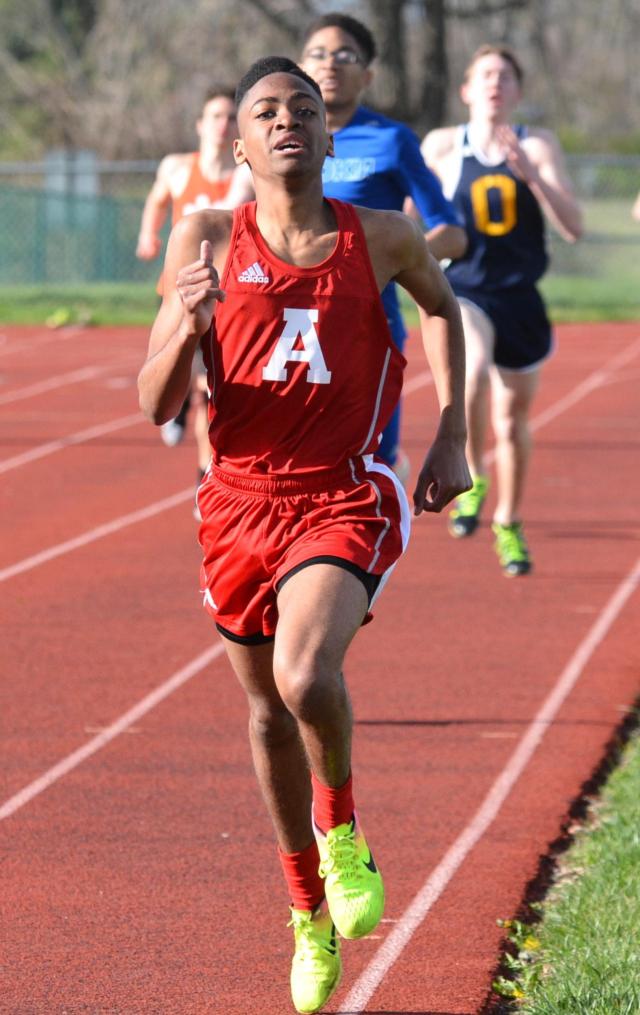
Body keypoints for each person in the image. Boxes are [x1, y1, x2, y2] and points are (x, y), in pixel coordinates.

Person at [137, 56, 470, 1014]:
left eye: (305, 109)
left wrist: (449, 430)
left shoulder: (388, 235)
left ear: (332, 136)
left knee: (304, 676)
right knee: (264, 714)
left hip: (343, 492)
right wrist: (182, 326)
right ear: (236, 144)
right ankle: (306, 912)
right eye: (265, 112)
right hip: (235, 502)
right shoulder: (204, 235)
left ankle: (343, 827)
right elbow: (153, 399)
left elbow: (444, 311)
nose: (287, 120)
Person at [421, 44, 582, 576]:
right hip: (464, 290)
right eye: (485, 74)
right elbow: (407, 217)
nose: (495, 83)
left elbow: (574, 227)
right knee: (473, 371)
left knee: (512, 424)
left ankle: (508, 523)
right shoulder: (443, 146)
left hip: (521, 299)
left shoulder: (538, 146)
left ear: (517, 91)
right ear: (467, 90)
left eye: (506, 76)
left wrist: (531, 177)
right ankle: (468, 468)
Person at [299, 12, 467, 483]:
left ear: (368, 75)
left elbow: (452, 232)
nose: (330, 64)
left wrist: (395, 262)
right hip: (291, 324)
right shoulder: (281, 136)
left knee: (367, 466)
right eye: (318, 54)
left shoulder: (390, 140)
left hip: (369, 324)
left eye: (345, 55)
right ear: (299, 66)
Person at [136, 86, 253, 507]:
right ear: (202, 124)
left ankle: (206, 471)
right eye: (216, 116)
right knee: (182, 371)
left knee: (209, 384)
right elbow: (156, 200)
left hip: (225, 294)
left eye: (230, 118)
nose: (223, 125)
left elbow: (234, 210)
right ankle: (180, 405)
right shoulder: (177, 168)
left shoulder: (244, 174)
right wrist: (149, 233)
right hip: (176, 292)